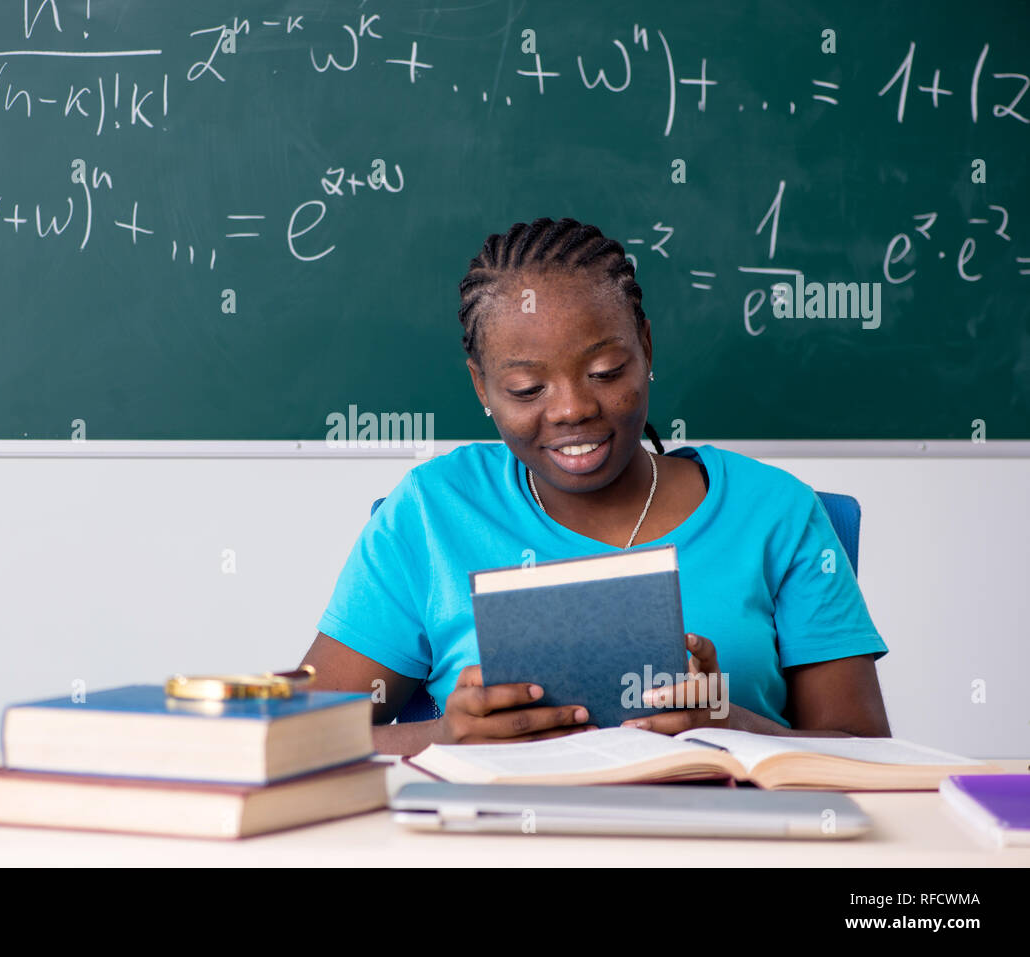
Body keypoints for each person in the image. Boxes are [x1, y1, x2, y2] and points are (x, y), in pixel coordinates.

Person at [301, 217, 890, 756]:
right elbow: (301, 738)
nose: (573, 409)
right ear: (482, 388)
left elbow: (867, 752)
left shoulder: (776, 512)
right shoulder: (433, 512)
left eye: (606, 373)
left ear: (647, 349)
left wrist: (729, 725)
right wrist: (444, 737)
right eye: (528, 388)